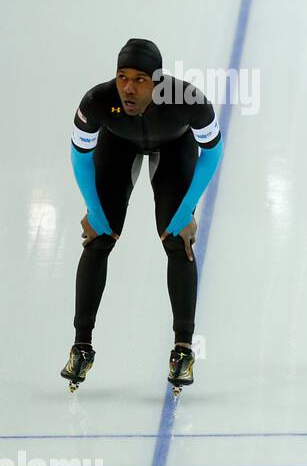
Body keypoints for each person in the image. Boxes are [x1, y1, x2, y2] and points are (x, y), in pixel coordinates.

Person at [61, 38, 224, 395]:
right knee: (99, 237)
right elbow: (80, 158)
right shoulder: (97, 102)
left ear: (158, 82)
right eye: (122, 77)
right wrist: (92, 210)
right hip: (117, 144)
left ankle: (183, 349)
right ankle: (81, 345)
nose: (128, 89)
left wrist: (185, 211)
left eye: (139, 80)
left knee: (177, 239)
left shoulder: (188, 101)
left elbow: (212, 154)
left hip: (174, 146)